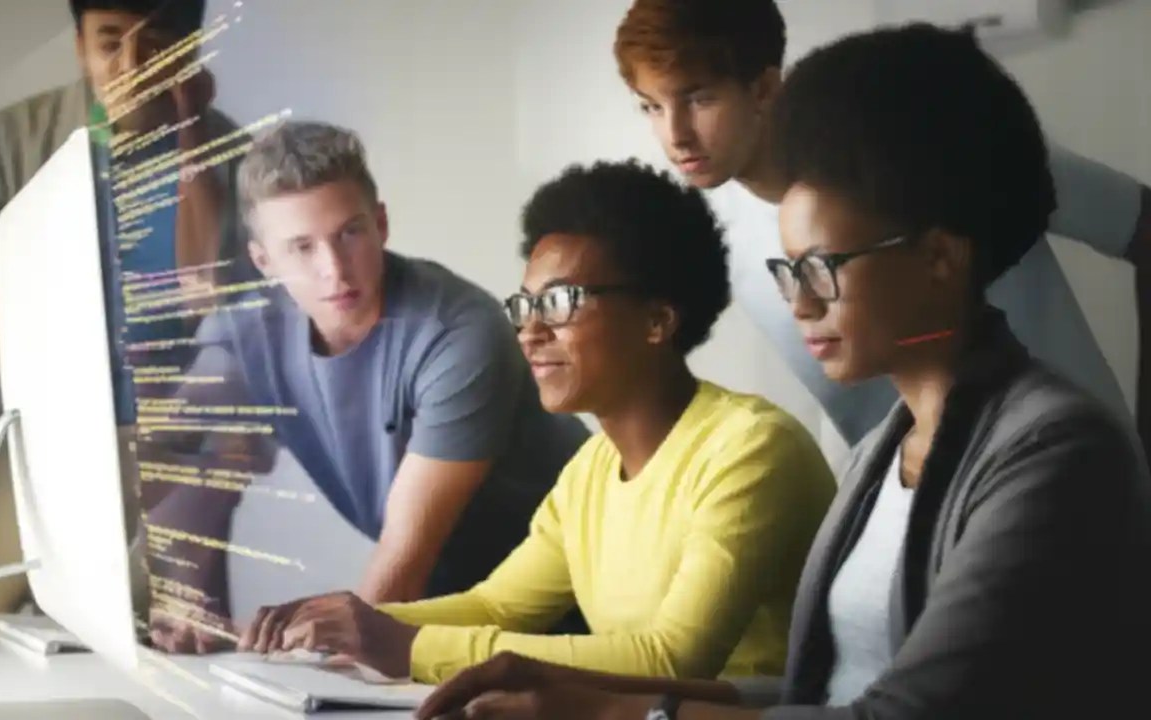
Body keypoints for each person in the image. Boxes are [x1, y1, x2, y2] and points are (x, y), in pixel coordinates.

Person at [410, 24, 1151, 720]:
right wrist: (564, 682)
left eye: (823, 268)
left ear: (938, 257)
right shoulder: (880, 451)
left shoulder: (1059, 450)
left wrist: (623, 709)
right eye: (788, 270)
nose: (798, 300)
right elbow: (815, 691)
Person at [234, 159, 837, 686]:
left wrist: (411, 646)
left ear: (657, 320)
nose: (530, 331)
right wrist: (342, 622)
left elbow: (673, 659)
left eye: (562, 302)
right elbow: (496, 606)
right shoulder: (590, 473)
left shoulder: (751, 450)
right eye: (526, 305)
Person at [613, 0, 1151, 459]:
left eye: (699, 98)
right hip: (931, 522)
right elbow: (857, 397)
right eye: (650, 107)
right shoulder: (723, 232)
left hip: (1081, 475)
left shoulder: (923, 133)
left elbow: (1141, 223)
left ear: (764, 89)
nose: (675, 135)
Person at [152, 119, 590, 638]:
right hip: (449, 613)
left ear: (381, 223)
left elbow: (402, 568)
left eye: (350, 233)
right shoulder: (244, 335)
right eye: (302, 247)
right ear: (263, 261)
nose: (335, 269)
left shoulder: (457, 332)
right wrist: (189, 607)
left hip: (577, 607)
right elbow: (169, 463)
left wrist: (280, 642)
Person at [0, 0, 242, 615]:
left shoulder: (235, 156)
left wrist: (189, 139)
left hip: (171, 449)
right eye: (110, 42)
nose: (132, 65)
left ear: (192, 47)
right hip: (34, 436)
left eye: (156, 42)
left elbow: (220, 298)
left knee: (168, 649)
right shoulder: (11, 137)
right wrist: (68, 364)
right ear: (78, 45)